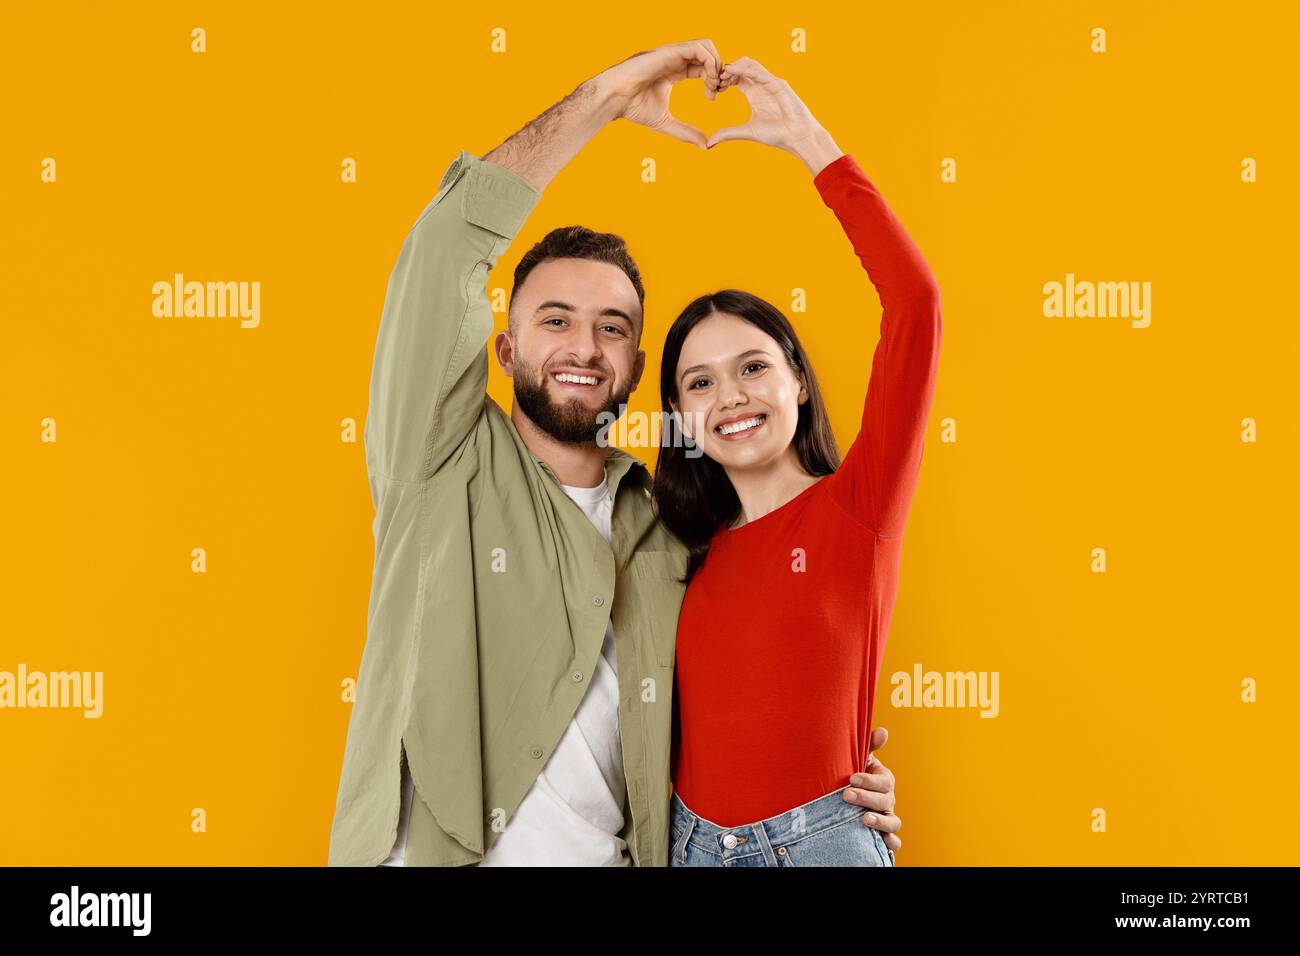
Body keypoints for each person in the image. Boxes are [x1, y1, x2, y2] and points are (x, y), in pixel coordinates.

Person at [327, 39, 904, 868]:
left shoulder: (671, 530)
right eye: (554, 320)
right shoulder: (436, 459)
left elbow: (750, 693)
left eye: (613, 328)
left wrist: (837, 789)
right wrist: (604, 98)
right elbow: (443, 249)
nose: (584, 347)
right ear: (505, 349)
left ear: (637, 368)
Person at [653, 58, 941, 866]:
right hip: (689, 846)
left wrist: (805, 142)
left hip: (819, 844)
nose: (731, 397)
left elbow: (916, 304)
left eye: (753, 367)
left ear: (799, 384)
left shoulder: (859, 507)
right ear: (681, 419)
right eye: (699, 382)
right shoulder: (676, 548)